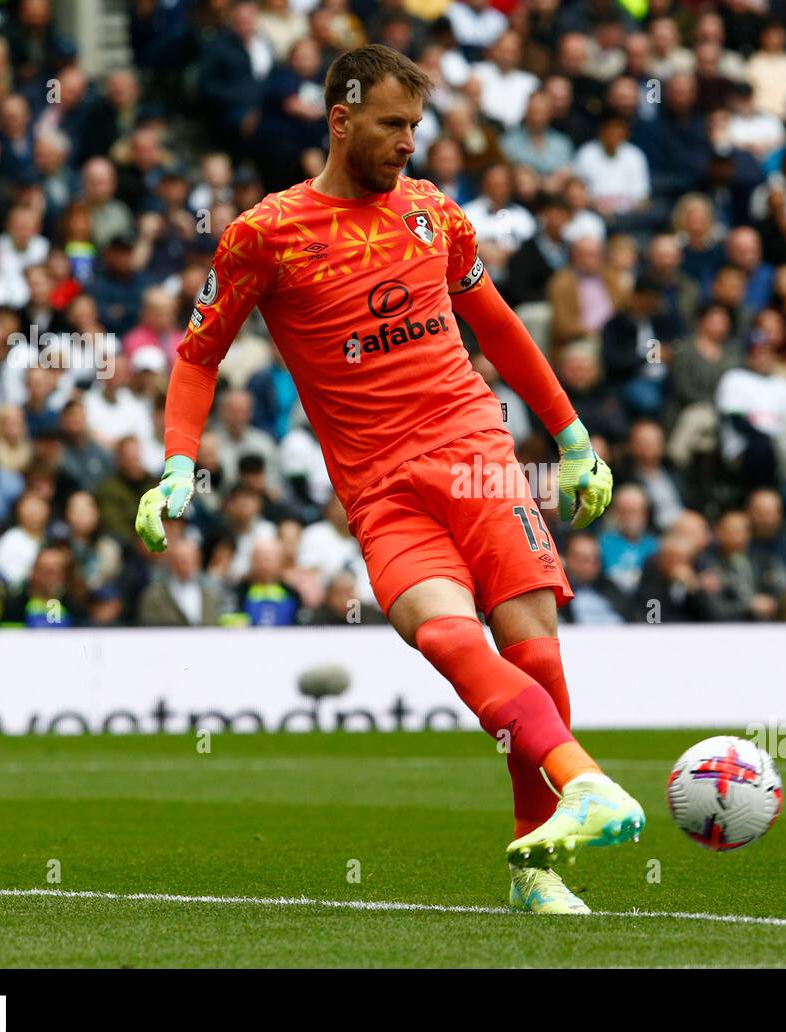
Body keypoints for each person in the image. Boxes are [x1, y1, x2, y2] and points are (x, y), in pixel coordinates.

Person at [132, 45, 642, 916]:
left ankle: (536, 864)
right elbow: (197, 356)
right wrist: (178, 461)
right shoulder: (266, 233)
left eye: (416, 125)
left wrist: (573, 435)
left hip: (473, 446)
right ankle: (584, 783)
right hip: (377, 482)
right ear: (341, 120)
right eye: (392, 125)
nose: (409, 141)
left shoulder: (434, 214)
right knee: (440, 635)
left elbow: (501, 327)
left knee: (530, 640)